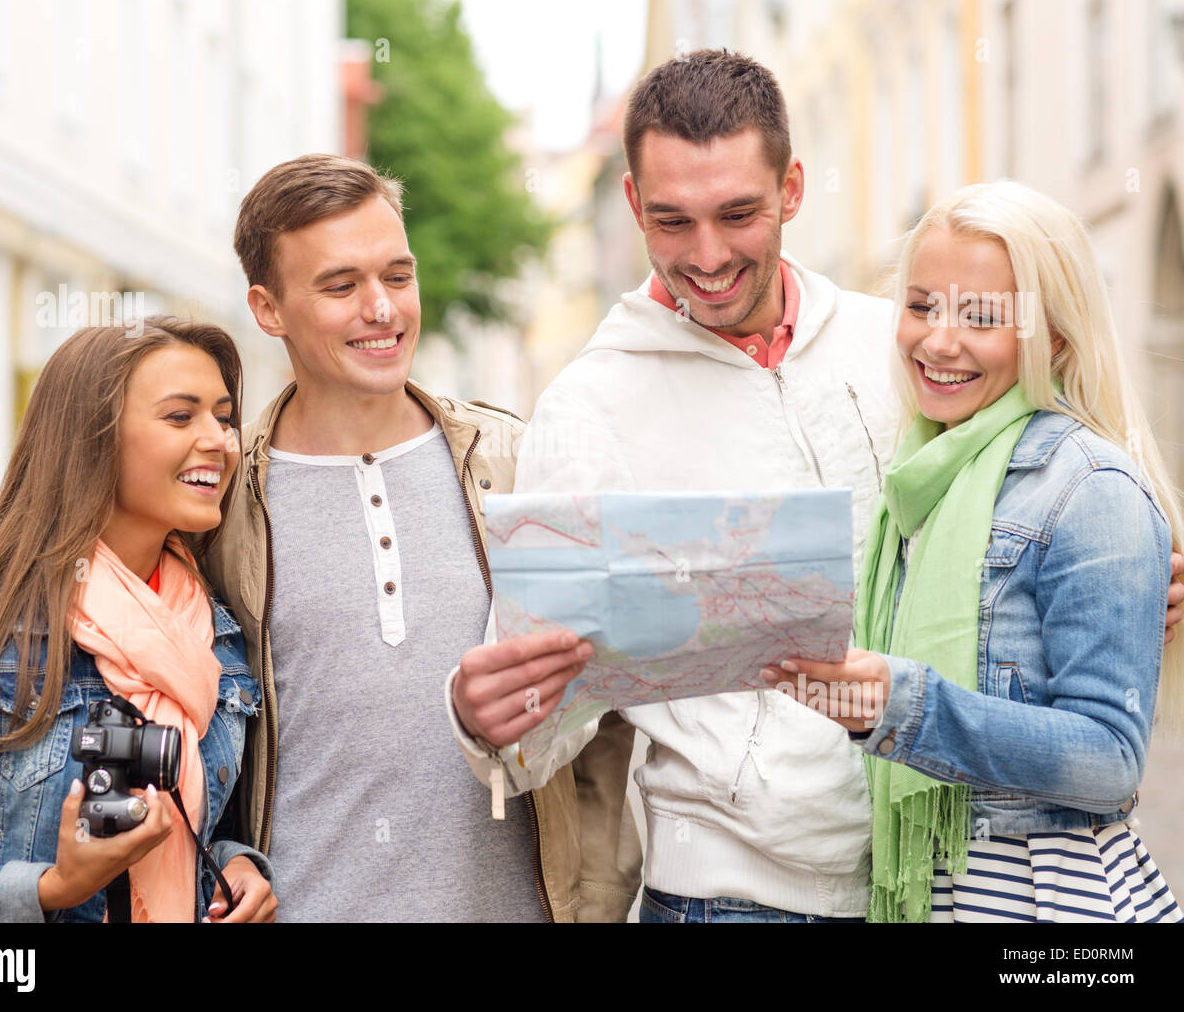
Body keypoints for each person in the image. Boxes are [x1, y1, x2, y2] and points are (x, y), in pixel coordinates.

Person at [449, 49, 1184, 923]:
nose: (709, 255)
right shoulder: (588, 408)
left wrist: (1122, 585)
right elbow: (544, 726)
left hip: (929, 882)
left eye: (739, 213)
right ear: (633, 204)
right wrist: (485, 719)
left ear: (793, 188)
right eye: (673, 220)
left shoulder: (903, 346)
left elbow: (1016, 522)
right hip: (732, 898)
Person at [199, 153, 638, 922]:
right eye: (341, 286)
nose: (382, 309)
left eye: (397, 276)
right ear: (267, 309)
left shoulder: (514, 462)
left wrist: (597, 899)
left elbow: (603, 711)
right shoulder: (221, 507)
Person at [763, 181, 1183, 923]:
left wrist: (904, 704)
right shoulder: (920, 481)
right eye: (922, 305)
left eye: (981, 317)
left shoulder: (1091, 487)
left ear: (1053, 336)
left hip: (1048, 902)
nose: (938, 340)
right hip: (939, 894)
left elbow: (1110, 758)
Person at [0, 317, 276, 923]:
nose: (221, 440)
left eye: (223, 417)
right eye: (181, 417)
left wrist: (236, 863)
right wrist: (53, 887)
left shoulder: (216, 636)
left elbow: (195, 821)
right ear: (92, 440)